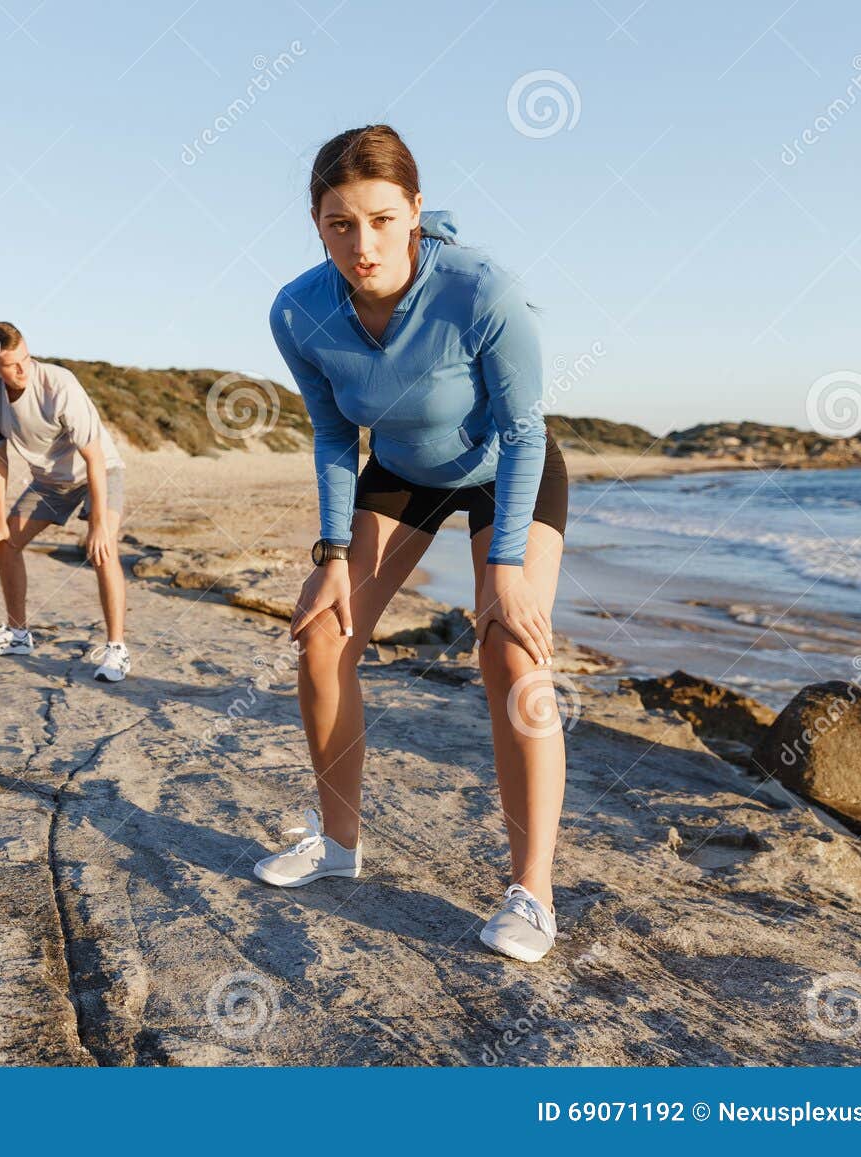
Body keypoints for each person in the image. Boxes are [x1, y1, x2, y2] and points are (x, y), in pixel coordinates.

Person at [258, 125, 570, 964]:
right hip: (401, 469)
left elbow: (527, 431)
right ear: (316, 222)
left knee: (511, 649)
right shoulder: (298, 309)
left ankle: (532, 892)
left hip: (508, 466)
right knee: (321, 635)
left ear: (416, 211)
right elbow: (332, 436)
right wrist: (331, 557)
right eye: (340, 224)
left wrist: (503, 571)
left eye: (384, 220)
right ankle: (337, 844)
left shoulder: (480, 291)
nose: (364, 246)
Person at [0, 321, 132, 683]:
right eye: (12, 364)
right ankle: (17, 634)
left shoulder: (59, 384)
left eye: (25, 358)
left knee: (103, 549)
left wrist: (100, 524)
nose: (22, 369)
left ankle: (116, 650)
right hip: (50, 482)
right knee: (7, 544)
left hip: (99, 471)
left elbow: (94, 458)